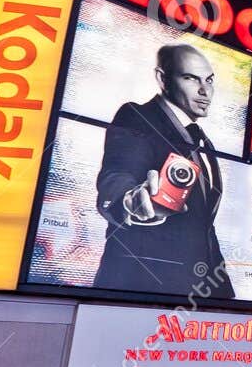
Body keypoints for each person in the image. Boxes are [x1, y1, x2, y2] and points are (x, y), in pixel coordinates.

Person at [94, 43, 233, 298]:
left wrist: (224, 295)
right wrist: (129, 201)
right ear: (162, 78)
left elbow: (203, 228)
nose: (205, 91)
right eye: (191, 78)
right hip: (140, 290)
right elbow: (117, 175)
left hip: (200, 295)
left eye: (209, 81)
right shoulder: (138, 115)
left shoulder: (201, 139)